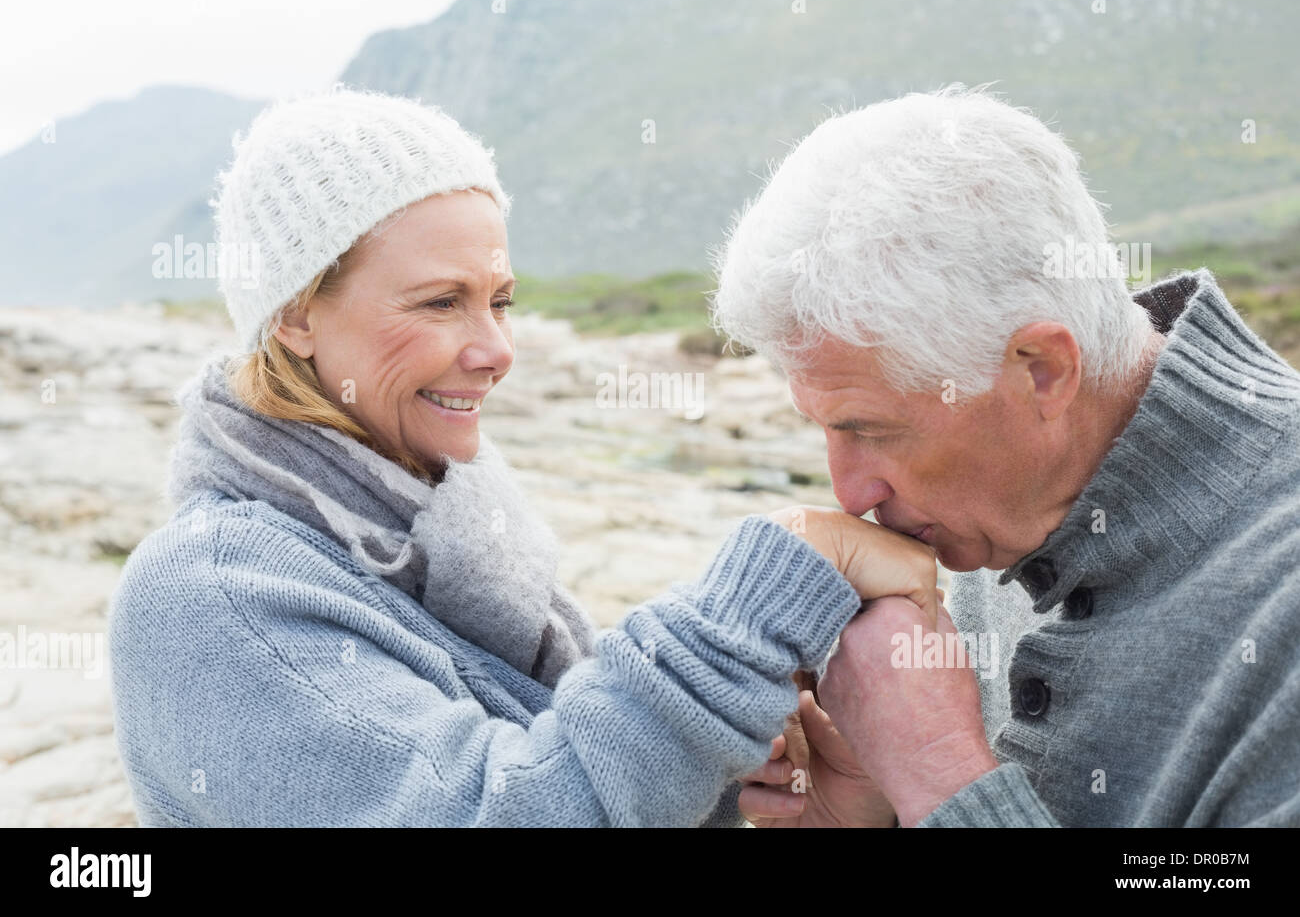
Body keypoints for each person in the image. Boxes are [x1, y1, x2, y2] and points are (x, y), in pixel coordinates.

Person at [106, 85, 941, 827]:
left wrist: (752, 786)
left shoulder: (459, 529)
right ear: (294, 315)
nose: (497, 348)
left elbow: (556, 762)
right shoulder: (212, 594)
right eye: (442, 302)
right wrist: (763, 595)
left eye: (500, 301)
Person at [717, 84, 1300, 827]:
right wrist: (876, 816)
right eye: (824, 428)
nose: (850, 493)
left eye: (873, 429)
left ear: (1042, 370)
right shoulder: (1014, 511)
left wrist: (939, 776)